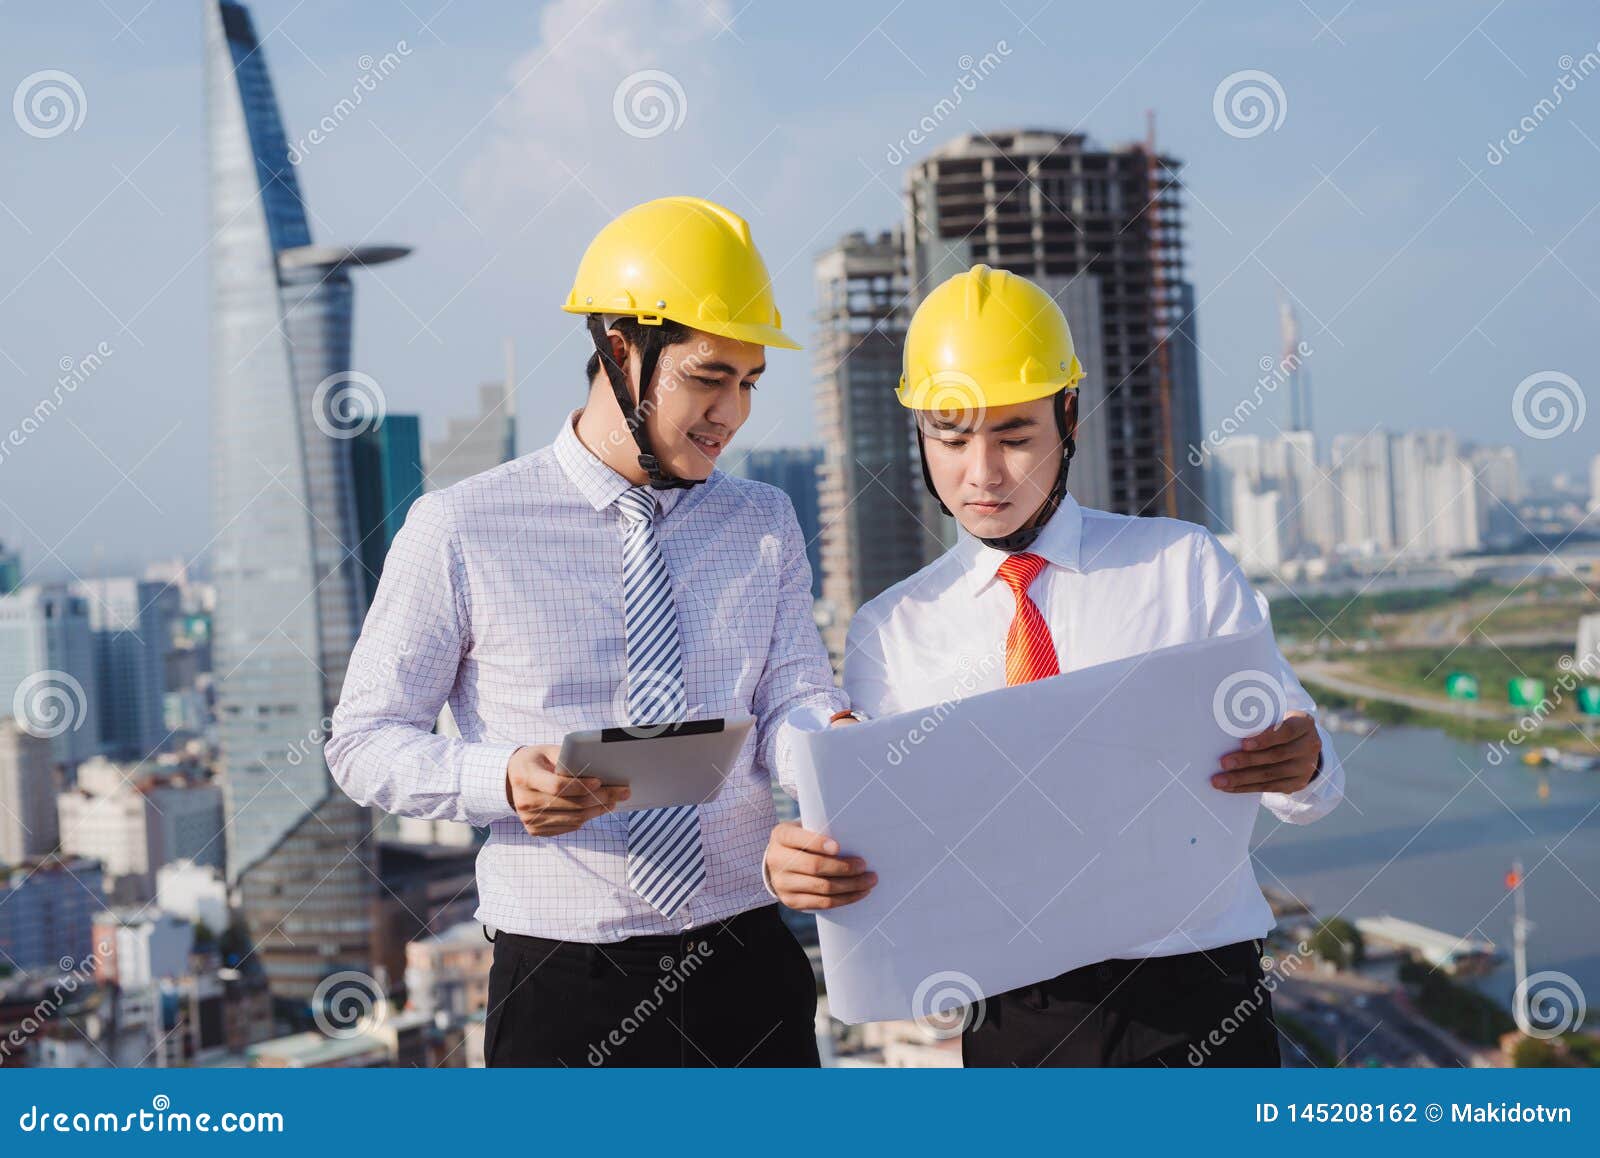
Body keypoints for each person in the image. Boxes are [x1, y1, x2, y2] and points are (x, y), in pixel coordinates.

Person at [763, 264, 1345, 1067]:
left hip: (1197, 1008)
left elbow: (1309, 791)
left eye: (1014, 435)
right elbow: (884, 850)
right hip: (1015, 1024)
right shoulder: (891, 630)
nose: (983, 473)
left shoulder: (1179, 566)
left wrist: (1302, 759)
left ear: (1068, 416)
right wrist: (804, 863)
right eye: (953, 437)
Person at [328, 196, 846, 1067]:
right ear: (619, 350)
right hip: (564, 989)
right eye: (709, 376)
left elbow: (796, 694)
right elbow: (363, 743)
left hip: (750, 961)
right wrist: (499, 778)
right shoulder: (460, 526)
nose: (735, 413)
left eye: (750, 382)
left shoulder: (765, 519)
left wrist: (835, 743)